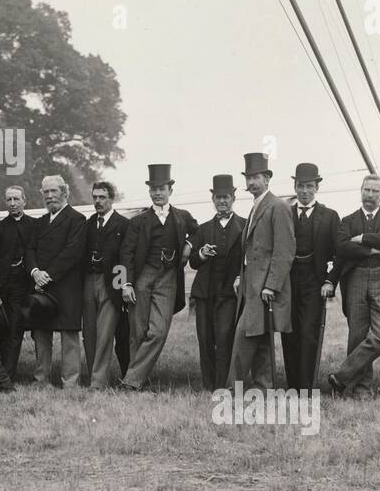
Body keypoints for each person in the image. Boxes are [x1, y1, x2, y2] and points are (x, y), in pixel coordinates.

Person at [118, 164, 198, 390]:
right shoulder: (138, 221)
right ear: (149, 191)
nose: (157, 193)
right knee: (138, 332)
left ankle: (131, 379)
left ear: (170, 190)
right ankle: (137, 383)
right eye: (153, 189)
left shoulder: (182, 217)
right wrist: (125, 284)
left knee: (158, 331)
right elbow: (125, 254)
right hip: (142, 277)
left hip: (168, 277)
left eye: (161, 189)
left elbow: (199, 232)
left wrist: (189, 245)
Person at [328, 175, 380, 399]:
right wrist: (371, 250)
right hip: (355, 277)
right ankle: (361, 390)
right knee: (357, 334)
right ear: (361, 191)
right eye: (367, 190)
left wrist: (361, 238)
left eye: (375, 191)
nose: (370, 195)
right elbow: (341, 247)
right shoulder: (348, 220)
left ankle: (342, 376)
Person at [226, 152, 296, 390]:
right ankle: (263, 387)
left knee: (244, 334)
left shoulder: (278, 206)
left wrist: (271, 285)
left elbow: (285, 250)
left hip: (264, 286)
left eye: (256, 177)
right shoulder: (256, 206)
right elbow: (249, 249)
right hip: (251, 284)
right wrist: (241, 276)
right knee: (261, 336)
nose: (251, 182)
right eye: (248, 178)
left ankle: (231, 388)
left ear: (267, 178)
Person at [280, 163, 340, 391]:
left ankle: (306, 385)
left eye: (309, 186)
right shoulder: (284, 213)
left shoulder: (330, 216)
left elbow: (339, 253)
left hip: (314, 281)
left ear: (317, 187)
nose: (305, 191)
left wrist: (330, 280)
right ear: (295, 187)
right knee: (289, 332)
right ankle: (292, 385)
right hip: (288, 280)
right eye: (301, 186)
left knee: (308, 332)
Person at [27, 174, 86, 389]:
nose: (50, 195)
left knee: (69, 335)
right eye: (46, 192)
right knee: (41, 334)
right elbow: (30, 249)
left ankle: (70, 382)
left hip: (67, 287)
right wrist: (35, 272)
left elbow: (72, 252)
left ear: (65, 192)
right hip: (41, 288)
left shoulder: (77, 219)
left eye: (54, 191)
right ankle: (41, 380)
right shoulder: (40, 222)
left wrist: (47, 275)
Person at [188, 174, 245, 393]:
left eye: (226, 197)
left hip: (229, 292)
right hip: (205, 291)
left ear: (233, 198)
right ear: (213, 199)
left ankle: (222, 385)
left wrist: (240, 277)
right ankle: (208, 384)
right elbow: (193, 261)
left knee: (224, 337)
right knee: (205, 339)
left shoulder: (244, 226)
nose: (222, 201)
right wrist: (202, 253)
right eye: (218, 197)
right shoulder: (202, 229)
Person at [0, 184, 35, 380]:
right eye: (9, 200)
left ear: (24, 201)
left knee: (15, 329)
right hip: (2, 286)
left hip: (25, 286)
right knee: (0, 331)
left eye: (16, 199)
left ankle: (6, 377)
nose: (12, 203)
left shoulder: (34, 225)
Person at [81, 180, 127, 389]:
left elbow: (125, 258)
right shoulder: (89, 223)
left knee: (105, 333)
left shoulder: (123, 224)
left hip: (111, 283)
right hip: (89, 281)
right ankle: (94, 376)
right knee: (89, 333)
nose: (98, 201)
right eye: (95, 197)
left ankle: (98, 383)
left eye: (102, 197)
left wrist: (120, 288)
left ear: (111, 199)